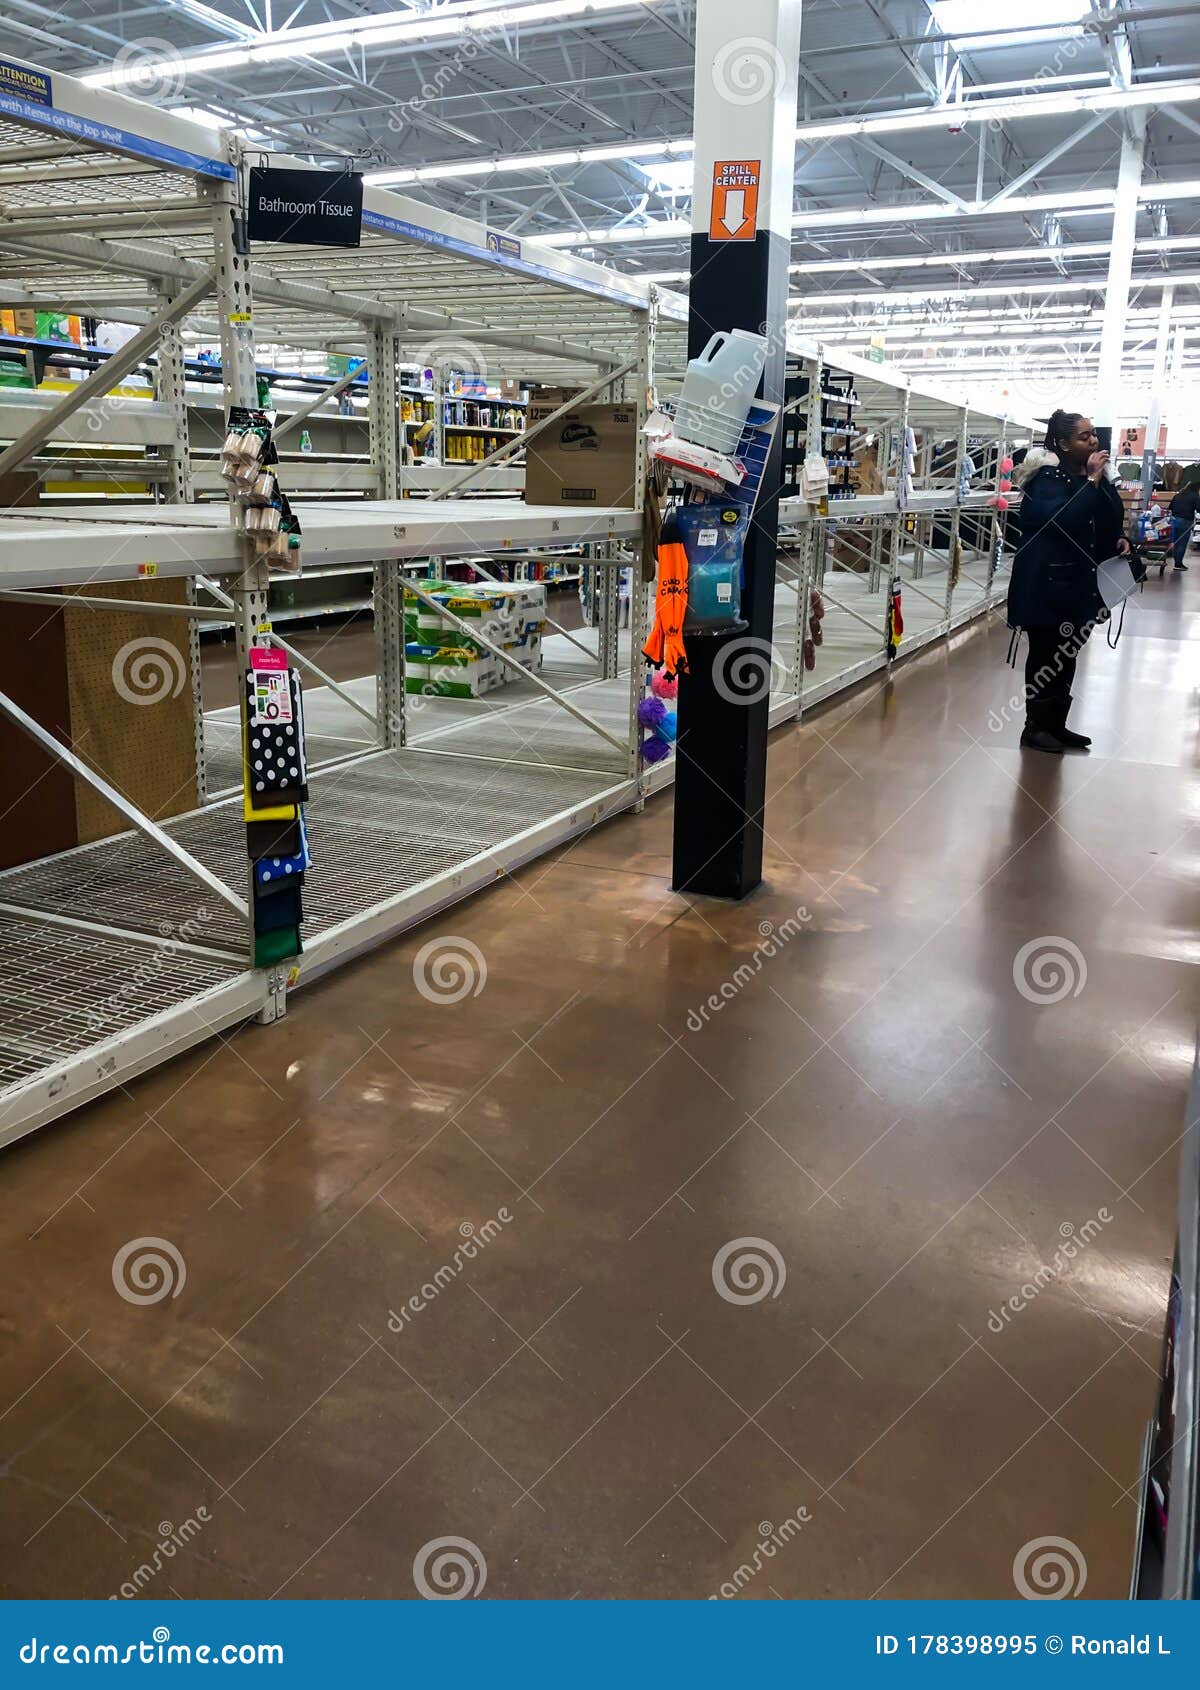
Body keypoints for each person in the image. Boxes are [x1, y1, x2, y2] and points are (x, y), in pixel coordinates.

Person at [1008, 411, 1129, 754]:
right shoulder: (1045, 479)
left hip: (1078, 586)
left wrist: (1117, 538)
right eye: (1083, 437)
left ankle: (1056, 725)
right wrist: (1091, 480)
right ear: (1062, 444)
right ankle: (1035, 727)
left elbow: (1104, 517)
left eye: (1093, 434)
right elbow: (1067, 519)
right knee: (1047, 656)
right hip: (1046, 587)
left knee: (1067, 655)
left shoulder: (1088, 477)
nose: (1093, 441)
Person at [1168, 476, 1199, 571]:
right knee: (1182, 544)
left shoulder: (1178, 495)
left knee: (1175, 542)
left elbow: (1170, 507)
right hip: (1185, 521)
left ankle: (1176, 561)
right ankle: (1178, 564)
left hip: (1174, 520)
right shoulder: (1195, 496)